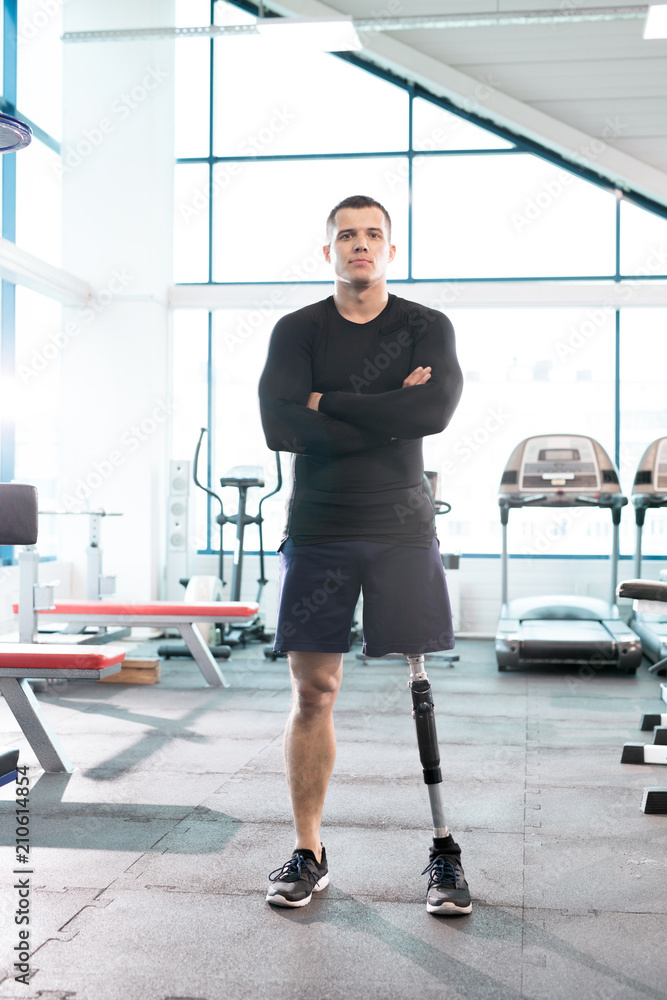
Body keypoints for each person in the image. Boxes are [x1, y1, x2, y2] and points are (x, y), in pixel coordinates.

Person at [257, 194, 467, 915]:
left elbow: (431, 414)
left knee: (419, 690)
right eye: (346, 235)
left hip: (403, 525)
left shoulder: (423, 327)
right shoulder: (297, 330)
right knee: (313, 692)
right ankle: (308, 852)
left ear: (390, 250)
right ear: (327, 252)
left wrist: (327, 402)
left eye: (373, 234)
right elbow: (278, 427)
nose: (360, 245)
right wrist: (381, 407)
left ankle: (444, 853)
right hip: (319, 524)